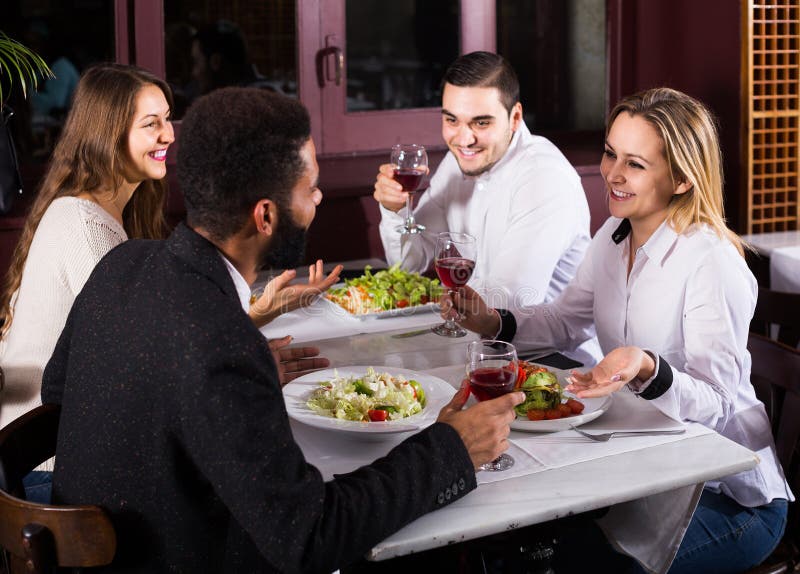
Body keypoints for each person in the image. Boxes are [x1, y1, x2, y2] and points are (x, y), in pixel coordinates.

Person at [40, 87, 524, 573]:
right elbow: (308, 535)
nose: (318, 198)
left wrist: (210, 398)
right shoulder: (223, 340)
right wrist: (451, 449)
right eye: (309, 188)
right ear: (266, 215)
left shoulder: (123, 264)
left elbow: (58, 391)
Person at [450, 87, 793, 573]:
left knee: (583, 563)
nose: (612, 173)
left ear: (679, 180)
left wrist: (649, 367)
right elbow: (566, 321)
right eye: (611, 153)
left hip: (730, 494)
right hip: (651, 467)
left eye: (635, 163)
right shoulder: (613, 238)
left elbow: (718, 401)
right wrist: (494, 321)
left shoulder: (712, 263)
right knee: (529, 540)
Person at [373, 51, 597, 360]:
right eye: (452, 120)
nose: (463, 139)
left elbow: (506, 305)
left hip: (551, 361)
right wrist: (394, 209)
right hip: (477, 345)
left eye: (481, 122)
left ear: (515, 117)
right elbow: (410, 262)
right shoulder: (460, 161)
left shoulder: (544, 178)